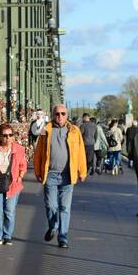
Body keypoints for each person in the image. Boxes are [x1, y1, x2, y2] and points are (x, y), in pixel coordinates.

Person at [33, 104, 88, 248]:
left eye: (63, 114)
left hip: (68, 175)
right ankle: (53, 226)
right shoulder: (46, 130)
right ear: (53, 115)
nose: (60, 117)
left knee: (64, 207)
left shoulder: (75, 131)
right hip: (50, 174)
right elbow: (39, 152)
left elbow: (81, 152)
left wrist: (82, 171)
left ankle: (63, 237)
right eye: (57, 114)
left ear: (67, 115)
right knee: (51, 205)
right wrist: (38, 171)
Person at [0, 122, 26, 246]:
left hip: (13, 184)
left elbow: (23, 166)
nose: (7, 138)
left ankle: (7, 235)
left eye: (10, 135)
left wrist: (20, 177)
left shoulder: (18, 149)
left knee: (9, 211)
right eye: (4, 135)